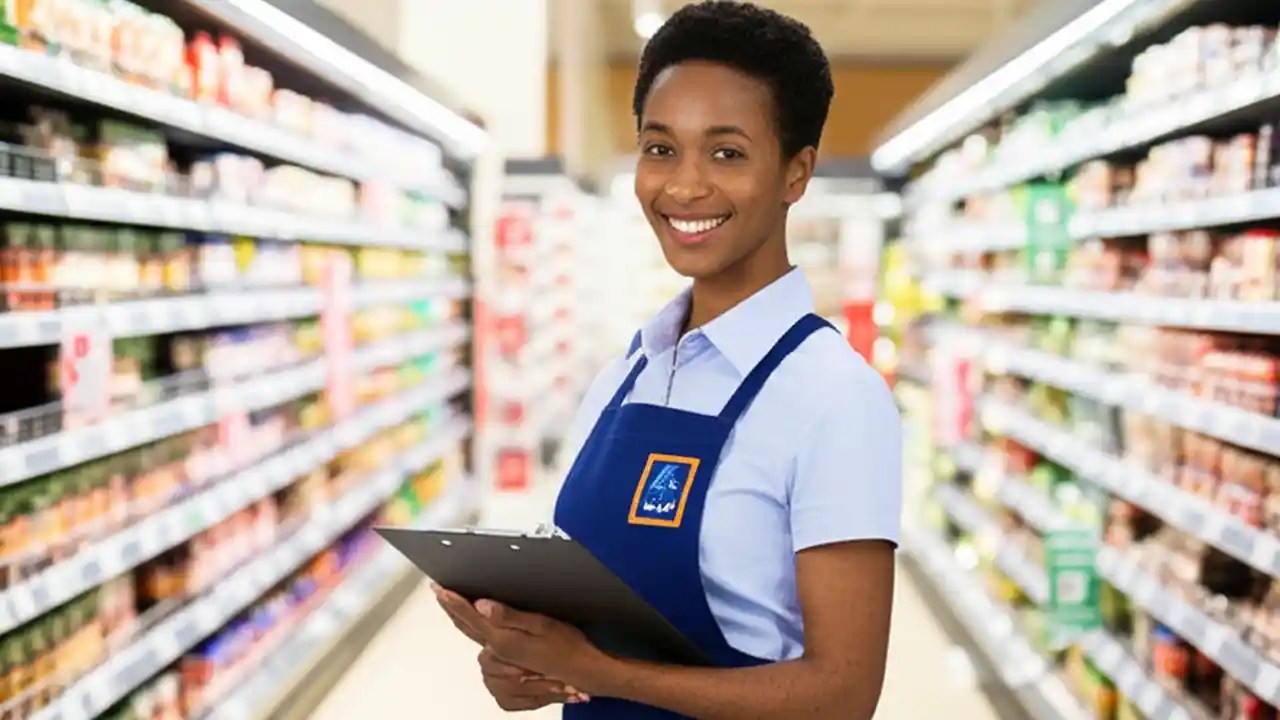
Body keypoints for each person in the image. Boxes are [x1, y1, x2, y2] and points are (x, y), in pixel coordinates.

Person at [433, 2, 901, 717]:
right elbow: (586, 630)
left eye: (727, 153)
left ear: (796, 173)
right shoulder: (627, 375)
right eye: (660, 149)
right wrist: (529, 664)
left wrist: (605, 672)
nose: (683, 187)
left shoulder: (836, 397)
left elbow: (843, 695)